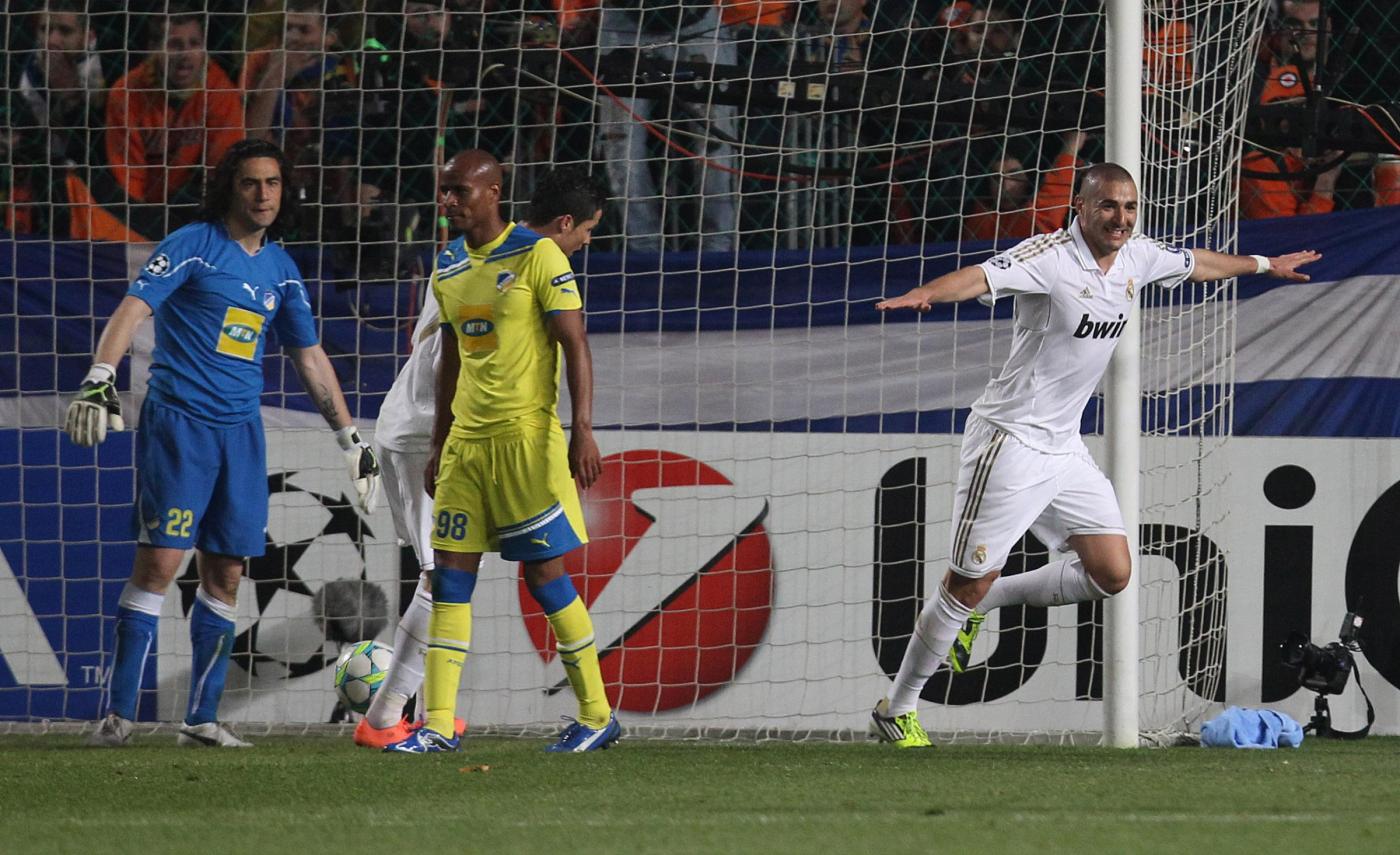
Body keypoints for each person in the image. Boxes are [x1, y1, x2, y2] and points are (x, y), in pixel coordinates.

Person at [869, 162, 1320, 747]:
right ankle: (896, 708)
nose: (1121, 218)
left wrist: (1266, 265)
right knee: (964, 583)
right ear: (1080, 207)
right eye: (1108, 205)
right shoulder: (1049, 256)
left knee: (1111, 573)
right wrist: (927, 293)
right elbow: (981, 276)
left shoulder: (1136, 257)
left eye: (1130, 207)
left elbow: (1199, 262)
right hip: (1009, 441)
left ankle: (986, 604)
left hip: (1063, 447)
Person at [70, 138, 381, 748]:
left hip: (241, 433)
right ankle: (119, 716)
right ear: (229, 188)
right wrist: (100, 376)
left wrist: (349, 437)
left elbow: (309, 357)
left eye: (272, 183)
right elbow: (134, 308)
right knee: (160, 565)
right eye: (250, 183)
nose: (263, 194)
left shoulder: (282, 271)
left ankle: (201, 720)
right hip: (180, 423)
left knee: (228, 574)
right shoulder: (194, 245)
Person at [355, 165, 608, 749]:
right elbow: (450, 356)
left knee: (544, 576)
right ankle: (434, 726)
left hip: (524, 444)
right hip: (461, 445)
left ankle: (597, 715)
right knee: (448, 579)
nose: (447, 200)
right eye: (443, 190)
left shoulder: (539, 257)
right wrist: (441, 440)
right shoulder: (447, 265)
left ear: (494, 194)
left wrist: (583, 430)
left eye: (459, 190)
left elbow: (576, 343)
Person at [596, 0, 739, 253]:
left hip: (697, 16)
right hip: (625, 20)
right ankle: (644, 250)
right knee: (621, 142)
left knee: (716, 138)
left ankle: (718, 249)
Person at [105, 5, 245, 209]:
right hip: (139, 209)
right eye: (175, 44)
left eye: (194, 43)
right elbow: (128, 179)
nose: (185, 54)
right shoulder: (126, 93)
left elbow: (223, 168)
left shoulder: (220, 90)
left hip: (195, 204)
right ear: (155, 48)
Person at [963, 132, 1087, 242]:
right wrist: (1070, 148)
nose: (1004, 186)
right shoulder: (979, 222)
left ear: (1029, 177)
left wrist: (1070, 149)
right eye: (996, 177)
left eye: (1014, 174)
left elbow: (1054, 190)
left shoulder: (1032, 217)